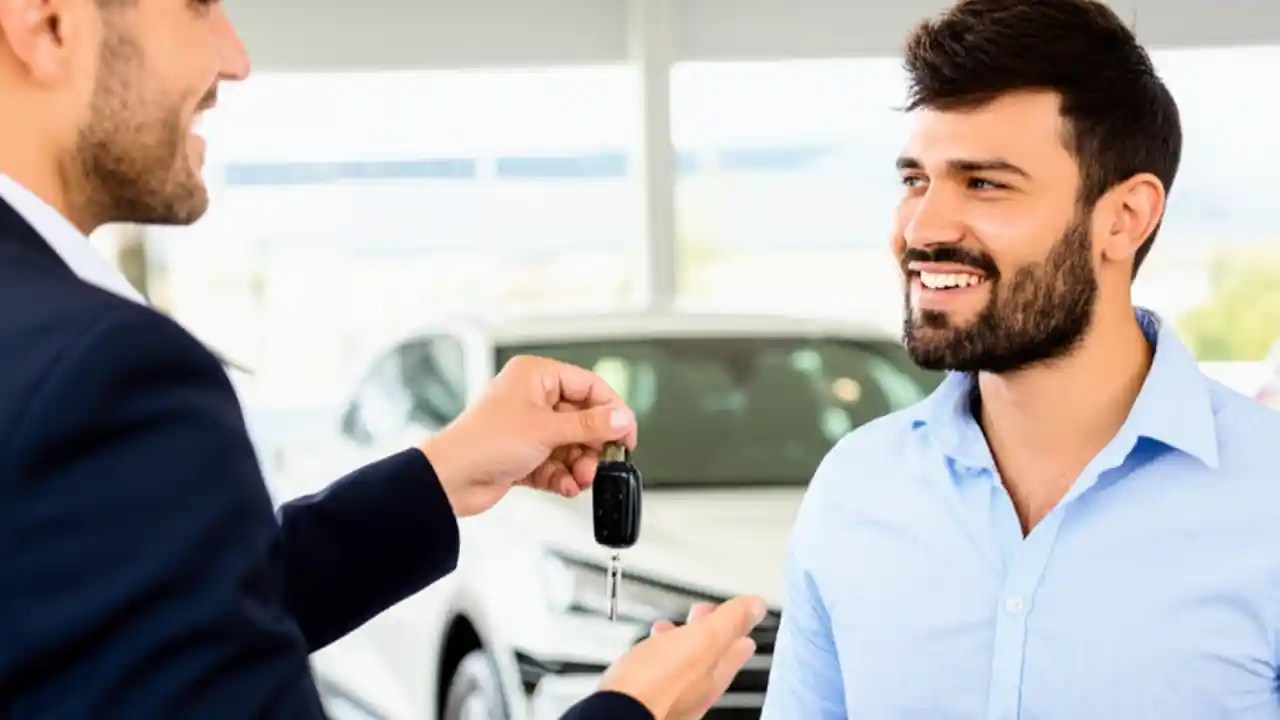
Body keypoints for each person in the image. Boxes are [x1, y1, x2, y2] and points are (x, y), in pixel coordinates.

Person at [0, 0, 765, 718]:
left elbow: (155, 621)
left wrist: (446, 472)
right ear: (48, 20)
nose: (235, 59)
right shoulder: (111, 372)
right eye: (198, 3)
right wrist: (630, 709)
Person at [762, 0, 1280, 717]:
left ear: (1124, 219)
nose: (922, 227)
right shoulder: (856, 489)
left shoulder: (1268, 497)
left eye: (984, 183)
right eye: (915, 180)